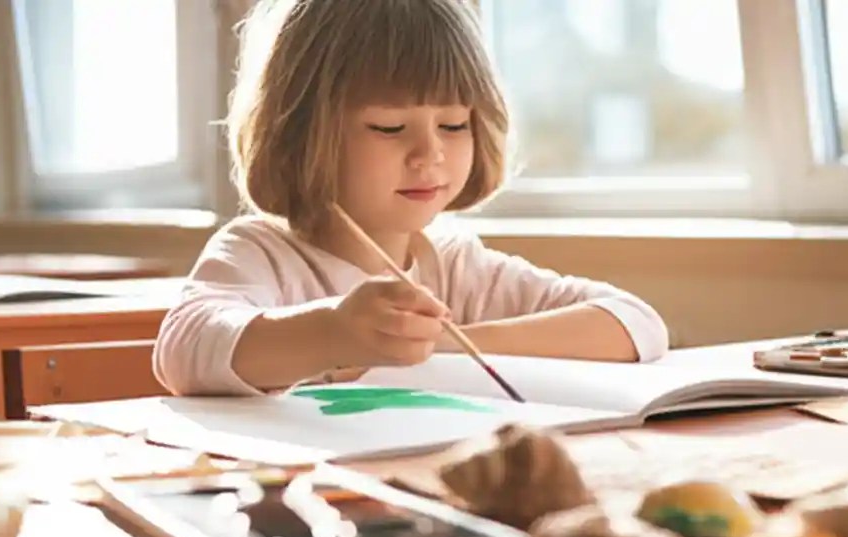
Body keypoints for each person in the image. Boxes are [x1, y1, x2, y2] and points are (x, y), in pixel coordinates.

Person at [153, 0, 669, 396]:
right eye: (389, 126)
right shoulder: (259, 252)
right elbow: (182, 352)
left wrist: (434, 348)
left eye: (453, 124)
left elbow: (634, 323)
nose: (430, 153)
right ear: (300, 133)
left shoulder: (453, 264)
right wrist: (335, 332)